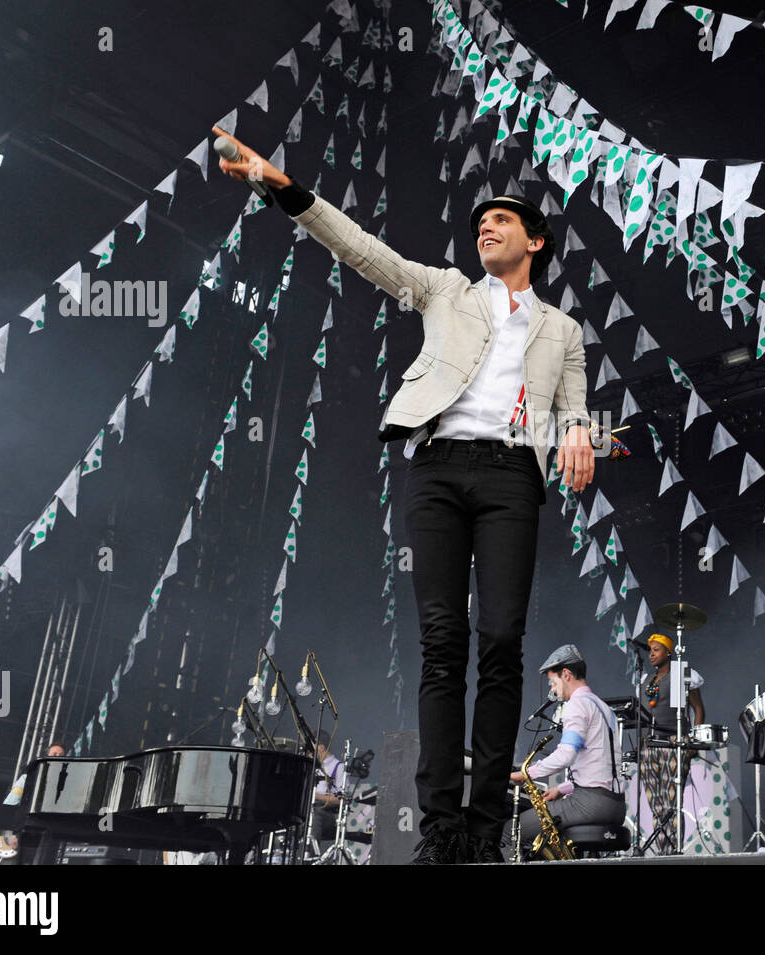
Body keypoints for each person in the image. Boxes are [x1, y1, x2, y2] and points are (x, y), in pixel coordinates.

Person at [214, 127, 595, 865]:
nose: (486, 226)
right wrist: (276, 182)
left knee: (504, 645)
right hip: (439, 470)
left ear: (536, 243)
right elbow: (360, 247)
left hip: (515, 476)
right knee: (443, 646)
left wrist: (580, 432)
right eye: (481, 221)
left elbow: (575, 407)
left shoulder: (563, 329)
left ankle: (486, 832)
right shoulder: (447, 289)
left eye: (504, 221)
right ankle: (441, 830)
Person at [509, 645, 624, 857]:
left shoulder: (576, 705)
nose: (553, 690)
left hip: (590, 804)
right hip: (615, 806)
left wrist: (525, 774)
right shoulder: (604, 708)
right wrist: (561, 789)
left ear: (566, 675)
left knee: (512, 830)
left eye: (553, 682)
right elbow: (600, 767)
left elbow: (566, 755)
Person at [637, 633, 705, 853]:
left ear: (669, 652)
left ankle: (674, 851)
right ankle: (662, 851)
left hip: (675, 742)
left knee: (672, 802)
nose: (651, 655)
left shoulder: (682, 674)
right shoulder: (646, 680)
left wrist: (692, 742)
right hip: (650, 746)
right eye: (650, 650)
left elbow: (698, 709)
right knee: (655, 804)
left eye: (656, 650)